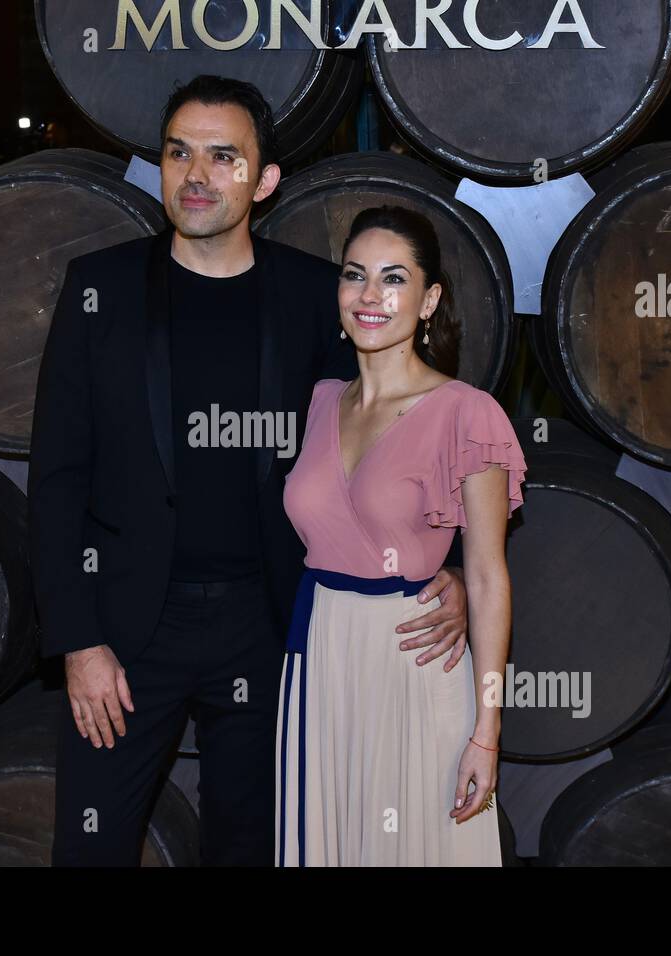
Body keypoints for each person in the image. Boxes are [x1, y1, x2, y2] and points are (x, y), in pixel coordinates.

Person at [28, 75, 473, 866]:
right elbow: (57, 475)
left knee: (256, 848)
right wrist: (78, 640)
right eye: (179, 153)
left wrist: (455, 562)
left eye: (223, 157)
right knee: (88, 849)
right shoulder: (99, 290)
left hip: (270, 627)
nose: (196, 175)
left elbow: (397, 427)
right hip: (127, 632)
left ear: (263, 181)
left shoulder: (311, 294)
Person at [277, 206, 525, 866]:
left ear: (428, 299)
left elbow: (488, 579)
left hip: (416, 668)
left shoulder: (468, 414)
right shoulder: (322, 400)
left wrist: (488, 731)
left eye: (393, 279)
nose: (369, 296)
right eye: (355, 275)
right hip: (321, 660)